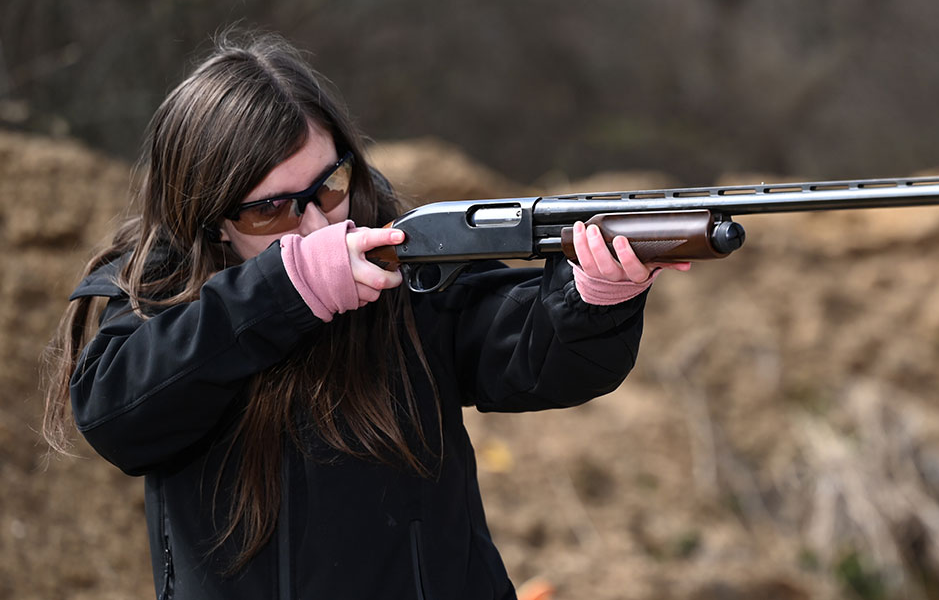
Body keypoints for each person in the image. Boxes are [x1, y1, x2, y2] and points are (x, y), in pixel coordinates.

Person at [42, 32, 689, 600]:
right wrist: (283, 291)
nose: (322, 223)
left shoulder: (400, 261)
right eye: (272, 211)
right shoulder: (156, 297)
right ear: (209, 222)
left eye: (331, 184)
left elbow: (527, 352)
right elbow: (118, 416)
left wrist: (590, 298)